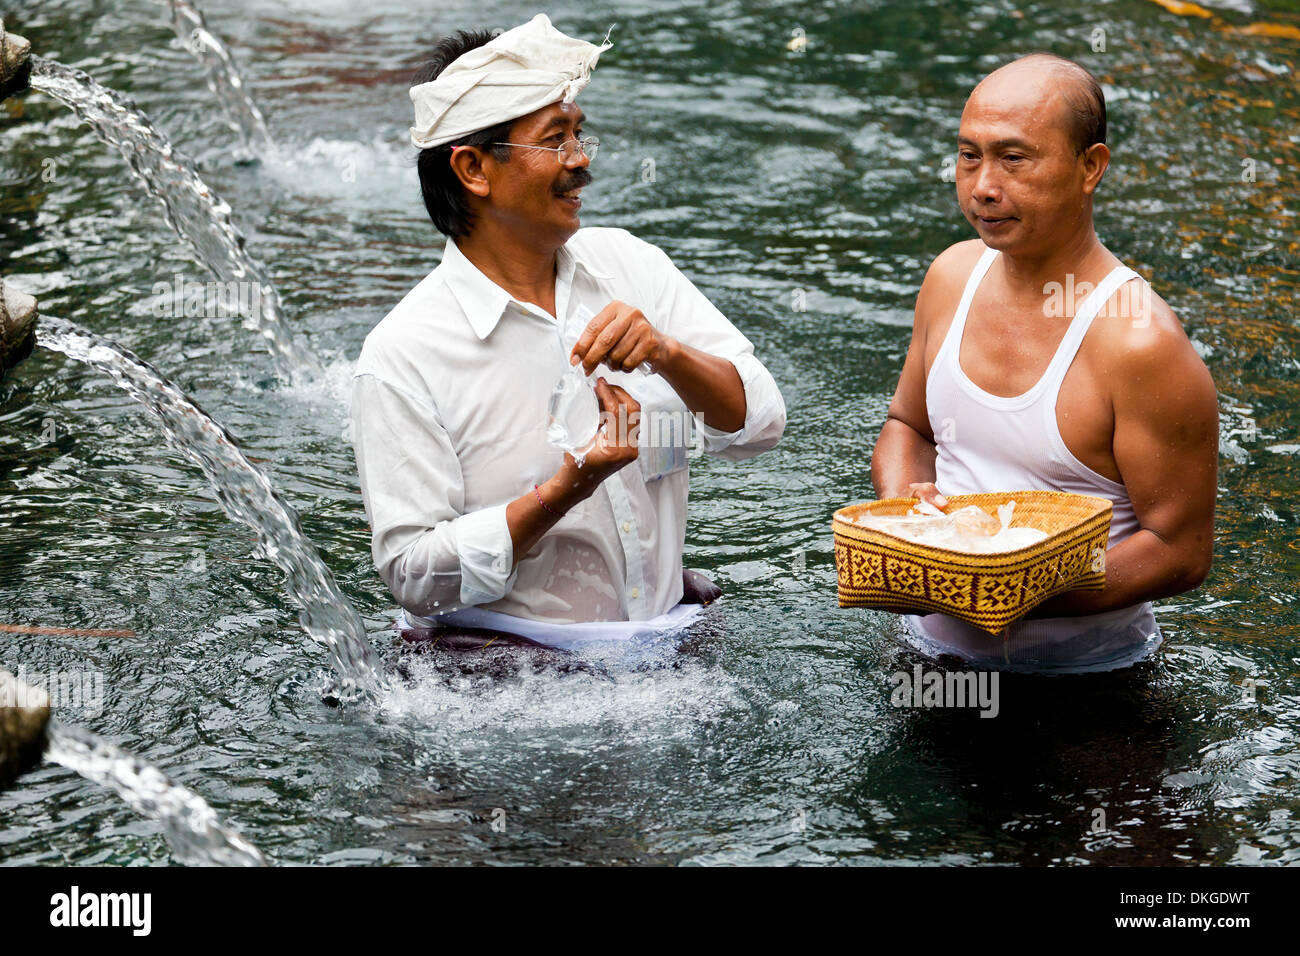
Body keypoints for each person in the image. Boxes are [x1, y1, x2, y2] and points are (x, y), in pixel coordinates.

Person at [350, 15, 785, 650]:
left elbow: (761, 423)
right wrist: (567, 487)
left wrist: (667, 354)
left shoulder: (632, 266)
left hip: (669, 652)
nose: (581, 161)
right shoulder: (403, 356)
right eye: (555, 140)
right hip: (507, 685)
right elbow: (414, 577)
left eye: (580, 134)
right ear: (473, 169)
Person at [870, 53, 1217, 671]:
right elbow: (908, 426)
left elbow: (1180, 550)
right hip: (925, 652)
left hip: (1088, 684)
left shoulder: (1141, 345)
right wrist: (909, 534)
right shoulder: (952, 276)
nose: (983, 186)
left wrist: (1016, 595)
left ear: (1091, 167)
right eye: (969, 155)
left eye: (1014, 158)